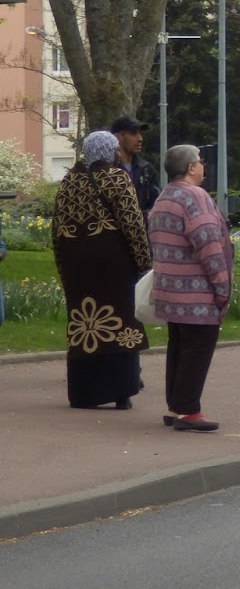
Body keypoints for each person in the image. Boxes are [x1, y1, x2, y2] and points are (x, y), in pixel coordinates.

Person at [53, 129, 152, 410]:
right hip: (113, 263)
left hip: (77, 264)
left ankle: (84, 393)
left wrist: (62, 266)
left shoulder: (69, 181)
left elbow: (57, 228)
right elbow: (132, 223)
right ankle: (121, 392)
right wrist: (144, 263)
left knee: (83, 322)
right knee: (119, 321)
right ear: (109, 152)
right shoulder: (117, 177)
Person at [148, 143, 234, 431]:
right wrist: (222, 287)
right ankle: (188, 410)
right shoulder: (195, 197)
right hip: (196, 293)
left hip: (170, 291)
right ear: (190, 168)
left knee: (179, 348)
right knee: (197, 349)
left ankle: (175, 406)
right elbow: (209, 243)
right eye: (199, 161)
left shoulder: (164, 198)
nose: (203, 166)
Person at [109, 114, 161, 212]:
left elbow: (157, 203)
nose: (140, 138)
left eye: (140, 133)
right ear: (118, 137)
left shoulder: (146, 169)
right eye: (133, 133)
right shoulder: (108, 170)